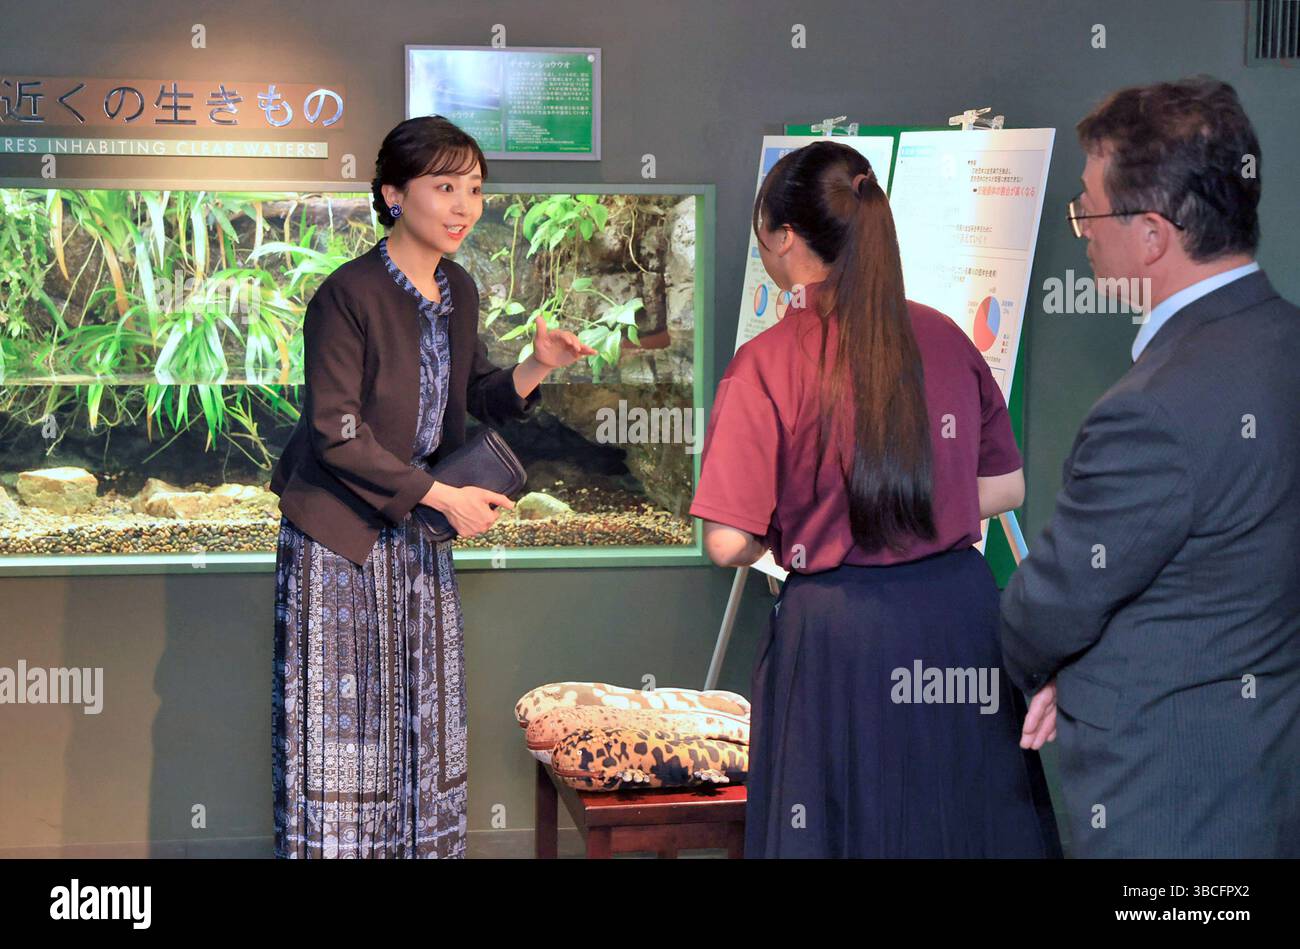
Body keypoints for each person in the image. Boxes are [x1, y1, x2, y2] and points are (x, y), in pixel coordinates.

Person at [689, 140, 1061, 858]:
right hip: (962, 623)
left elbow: (728, 541)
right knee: (960, 820)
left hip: (838, 640)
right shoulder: (948, 337)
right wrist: (927, 505)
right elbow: (1008, 485)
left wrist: (799, 527)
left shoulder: (764, 363)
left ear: (785, 238)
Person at [268, 115, 594, 858]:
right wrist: (441, 496)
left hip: (415, 540)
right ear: (392, 192)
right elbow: (335, 431)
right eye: (443, 186)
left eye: (474, 188)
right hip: (340, 547)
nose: (463, 205)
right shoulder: (345, 295)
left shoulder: (459, 288)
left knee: (423, 725)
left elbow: (478, 393)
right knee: (344, 740)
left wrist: (537, 363)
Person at [1000, 77, 1300, 858]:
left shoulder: (1152, 410)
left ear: (1153, 235)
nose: (1083, 234)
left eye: (1088, 211)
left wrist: (1059, 663)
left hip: (1170, 811)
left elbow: (1050, 605)